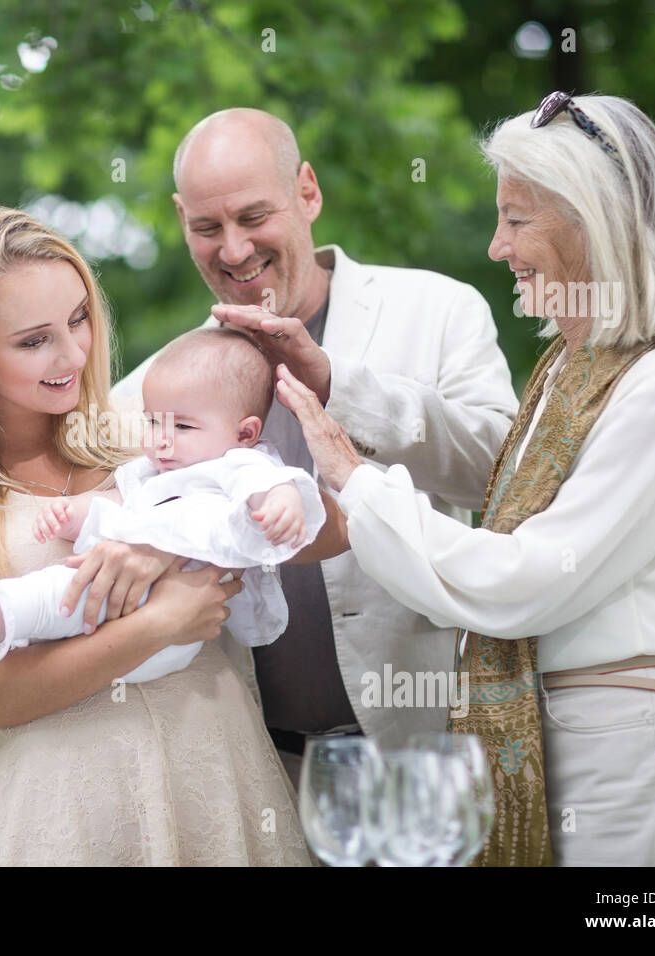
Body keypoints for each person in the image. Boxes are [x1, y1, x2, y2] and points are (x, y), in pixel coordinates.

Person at [276, 92, 655, 866]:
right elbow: (478, 472)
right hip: (563, 728)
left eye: (518, 220)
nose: (498, 247)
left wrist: (356, 480)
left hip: (622, 747)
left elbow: (522, 579)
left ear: (599, 221)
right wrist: (342, 393)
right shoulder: (566, 372)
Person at [0, 205, 347, 865]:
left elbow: (332, 526)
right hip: (64, 809)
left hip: (211, 764)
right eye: (33, 340)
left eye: (79, 319)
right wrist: (160, 621)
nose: (73, 354)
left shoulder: (153, 427)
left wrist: (168, 542)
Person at [114, 107, 520, 782]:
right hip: (252, 769)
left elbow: (501, 477)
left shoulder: (440, 309)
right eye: (207, 227)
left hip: (419, 750)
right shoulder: (150, 387)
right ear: (181, 218)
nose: (235, 249)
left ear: (308, 191)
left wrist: (335, 383)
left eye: (253, 216)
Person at [0, 327, 325, 684]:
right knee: (44, 596)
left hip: (170, 624)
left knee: (52, 599)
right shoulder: (156, 466)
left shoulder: (239, 464)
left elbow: (279, 486)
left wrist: (284, 502)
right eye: (152, 422)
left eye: (182, 427)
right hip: (123, 609)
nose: (160, 440)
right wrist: (76, 511)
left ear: (244, 432)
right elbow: (118, 497)